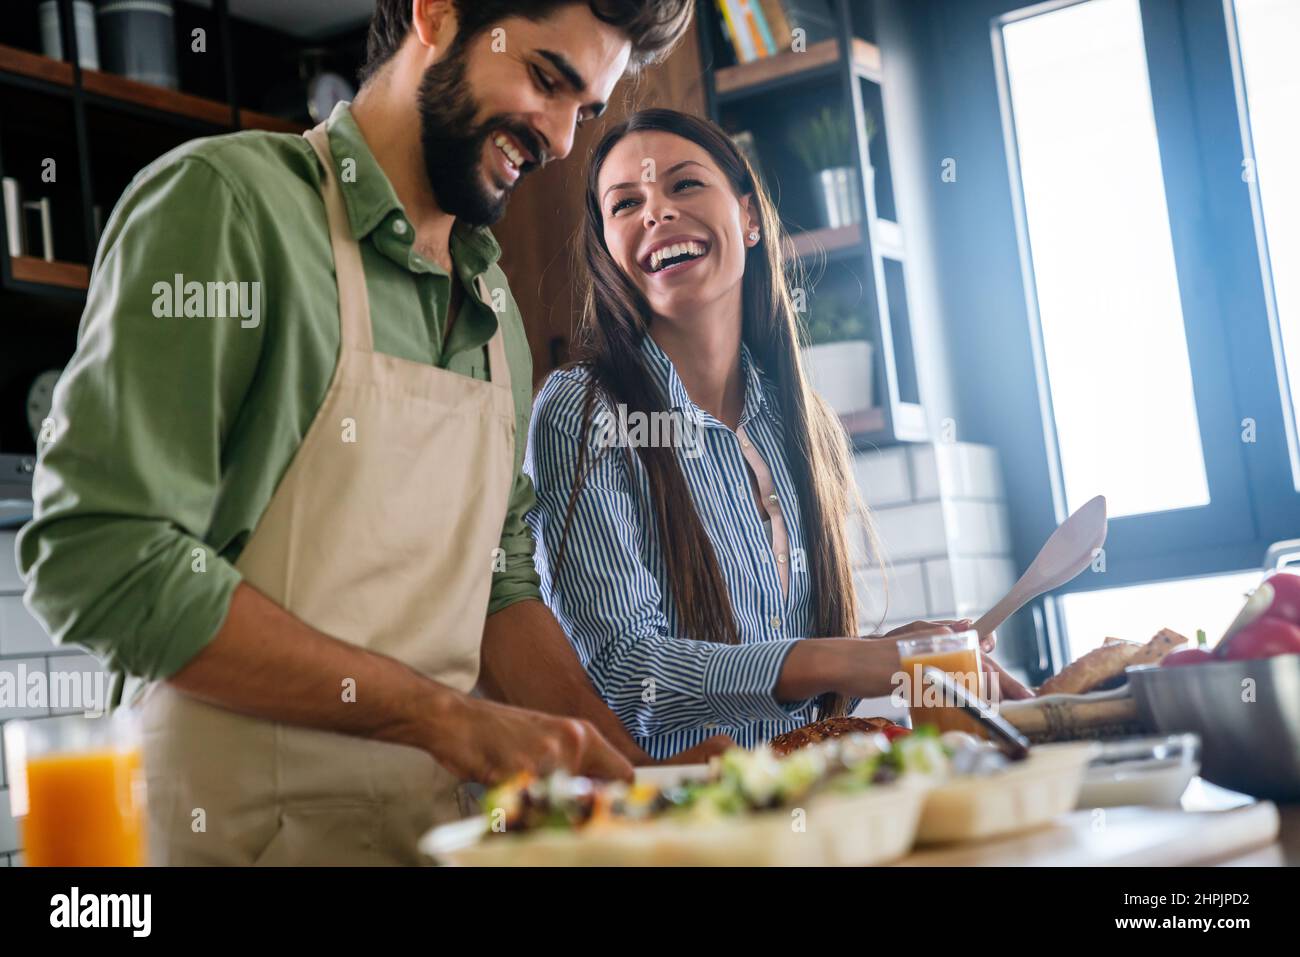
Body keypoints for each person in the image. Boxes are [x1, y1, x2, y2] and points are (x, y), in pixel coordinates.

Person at [16, 1, 696, 865]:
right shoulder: (231, 208)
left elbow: (501, 584)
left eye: (586, 109)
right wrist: (443, 717)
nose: (563, 138)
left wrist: (642, 784)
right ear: (438, 14)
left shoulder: (492, 309)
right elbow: (104, 555)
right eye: (544, 78)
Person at [526, 109, 1033, 760]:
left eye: (684, 186)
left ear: (749, 218)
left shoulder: (800, 419)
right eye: (626, 204)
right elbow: (629, 676)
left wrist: (896, 653)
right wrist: (840, 660)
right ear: (608, 252)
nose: (656, 213)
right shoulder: (580, 410)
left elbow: (797, 687)